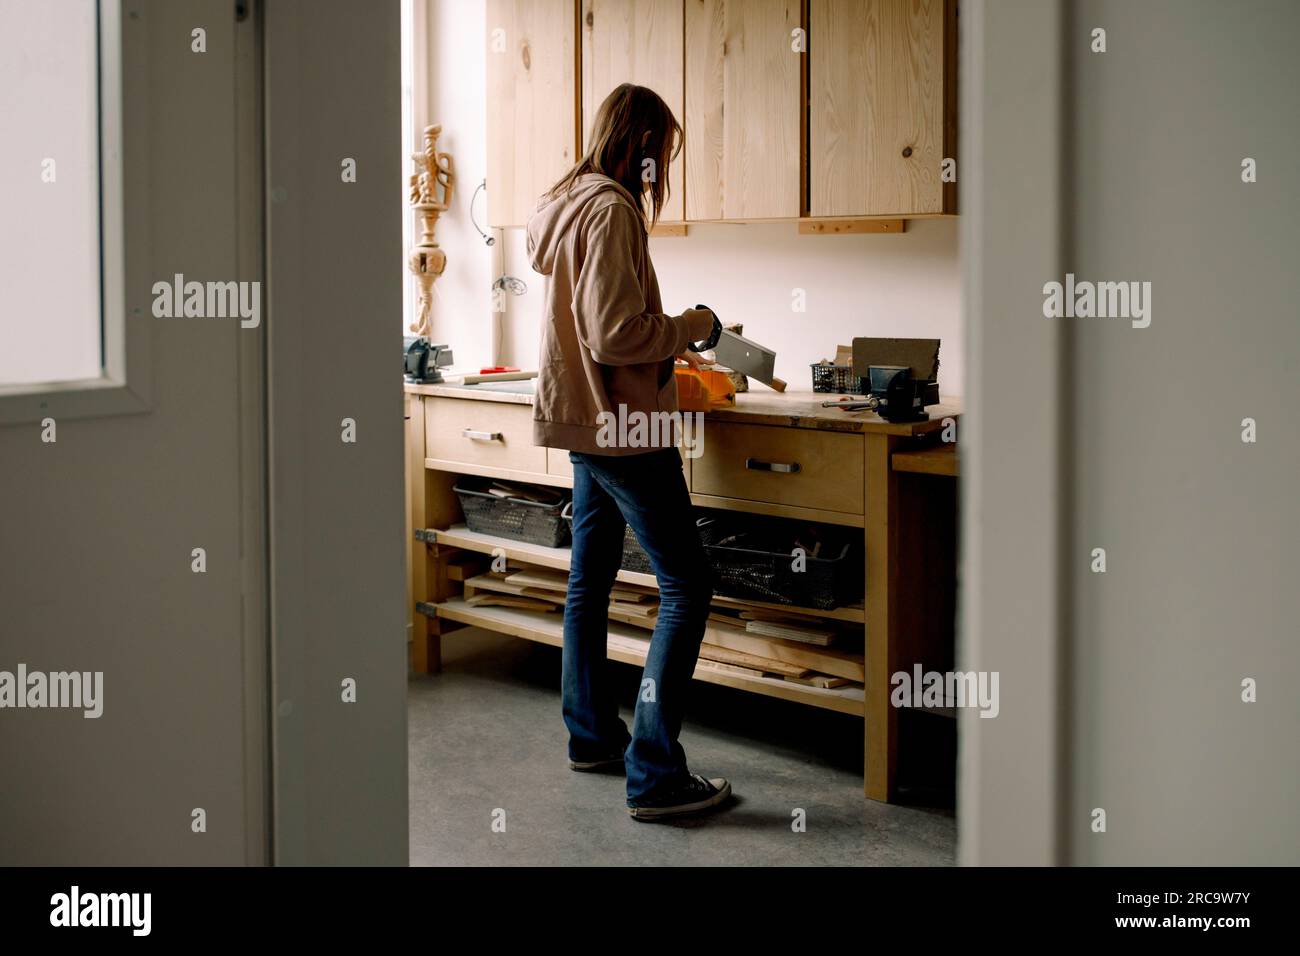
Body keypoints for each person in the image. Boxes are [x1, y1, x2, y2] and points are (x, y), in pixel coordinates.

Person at [526, 83, 731, 821]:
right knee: (687, 588)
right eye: (664, 154)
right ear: (643, 147)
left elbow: (591, 328)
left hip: (582, 423)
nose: (662, 170)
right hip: (625, 428)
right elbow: (615, 334)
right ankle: (654, 776)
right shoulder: (612, 209)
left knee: (590, 583)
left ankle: (591, 738)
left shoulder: (568, 202)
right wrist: (693, 325)